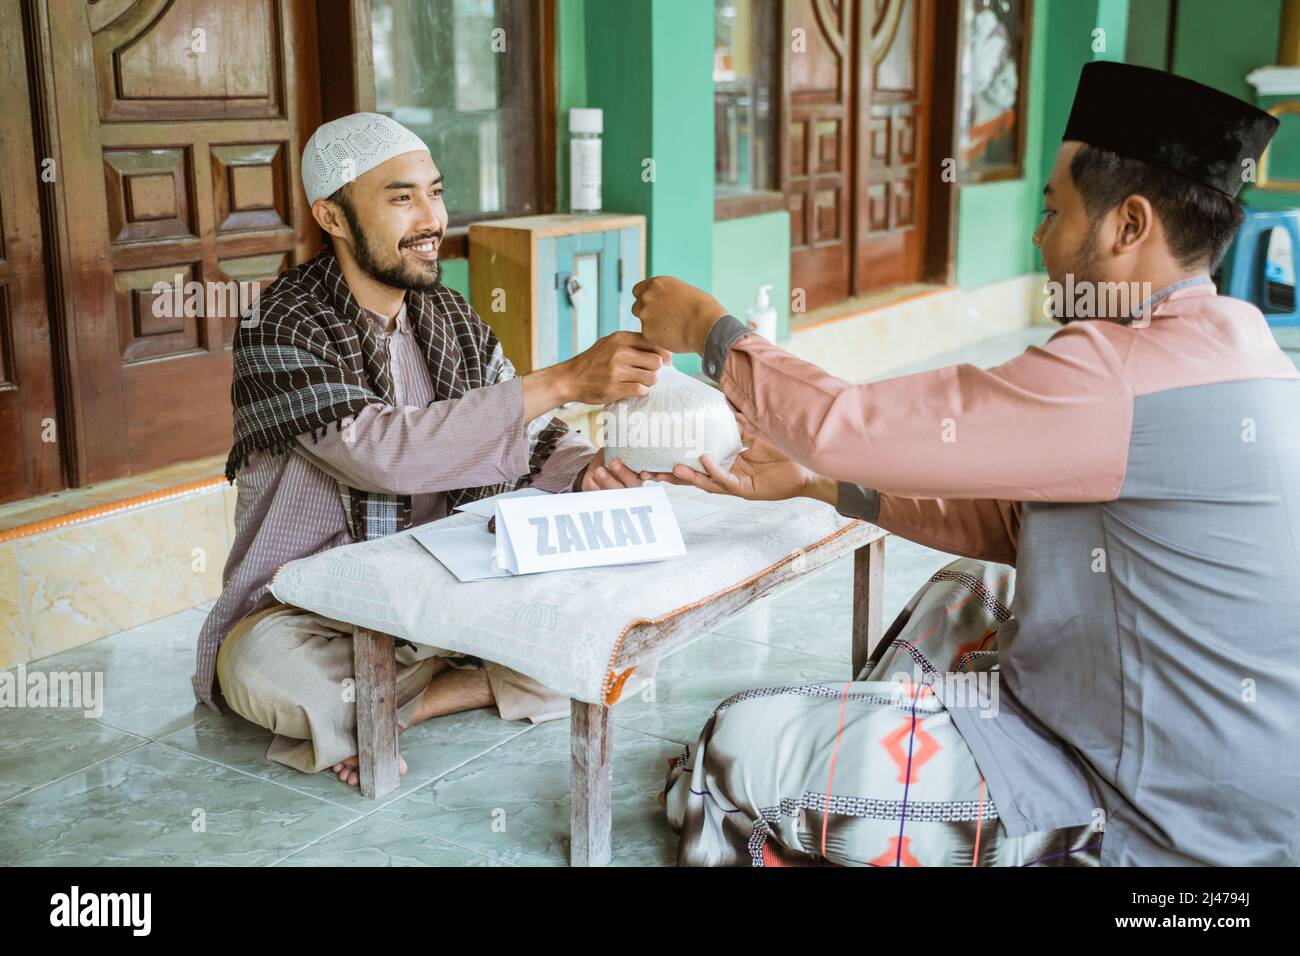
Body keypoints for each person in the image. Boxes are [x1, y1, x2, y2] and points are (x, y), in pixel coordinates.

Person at [632, 62, 1299, 866]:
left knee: (735, 745)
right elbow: (1015, 525)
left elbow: (853, 423)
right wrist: (819, 484)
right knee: (970, 587)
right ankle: (899, 763)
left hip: (1148, 812)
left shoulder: (1119, 371)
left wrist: (711, 331)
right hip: (1206, 764)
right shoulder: (1236, 342)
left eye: (1053, 211)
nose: (1037, 238)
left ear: (1129, 226)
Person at [193, 113, 662, 787]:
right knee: (261, 673)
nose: (431, 217)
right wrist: (564, 380)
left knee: (626, 643)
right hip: (309, 608)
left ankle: (400, 704)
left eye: (436, 192)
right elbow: (385, 454)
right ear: (331, 215)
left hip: (441, 594)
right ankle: (429, 687)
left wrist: (588, 471)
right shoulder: (281, 322)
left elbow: (532, 436)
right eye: (401, 196)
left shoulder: (448, 316)